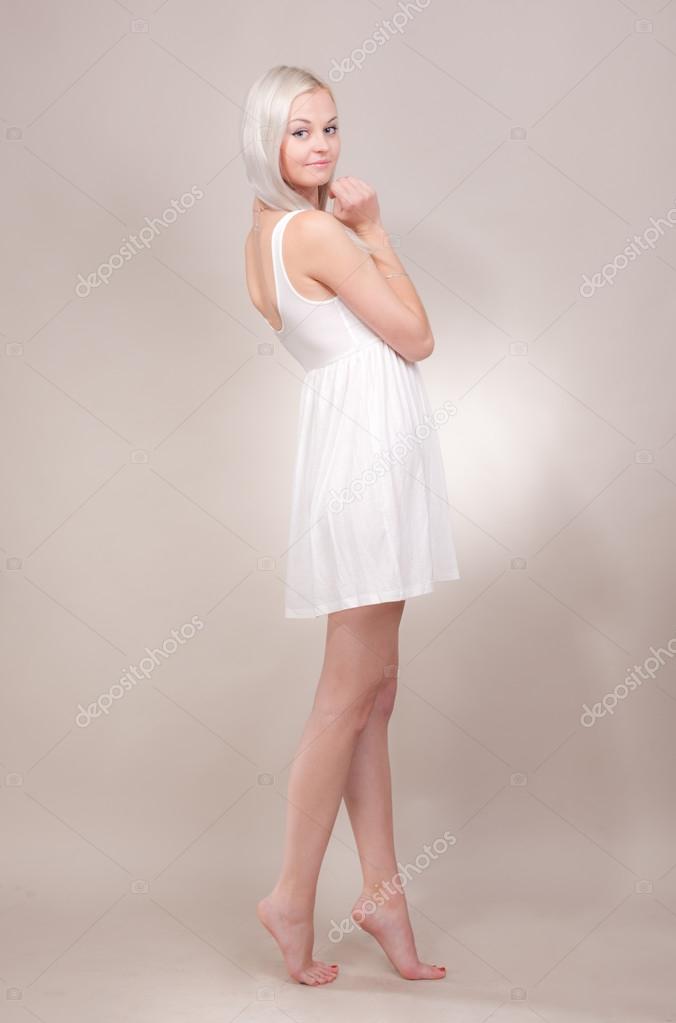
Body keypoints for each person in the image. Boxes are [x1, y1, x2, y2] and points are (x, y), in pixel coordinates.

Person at [241, 65, 460, 986]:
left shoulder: (261, 234)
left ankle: (382, 892)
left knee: (374, 694)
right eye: (299, 132)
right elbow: (415, 336)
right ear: (266, 143)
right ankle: (291, 893)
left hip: (357, 455)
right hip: (366, 468)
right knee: (346, 696)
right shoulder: (322, 231)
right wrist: (376, 231)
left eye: (329, 127)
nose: (322, 146)